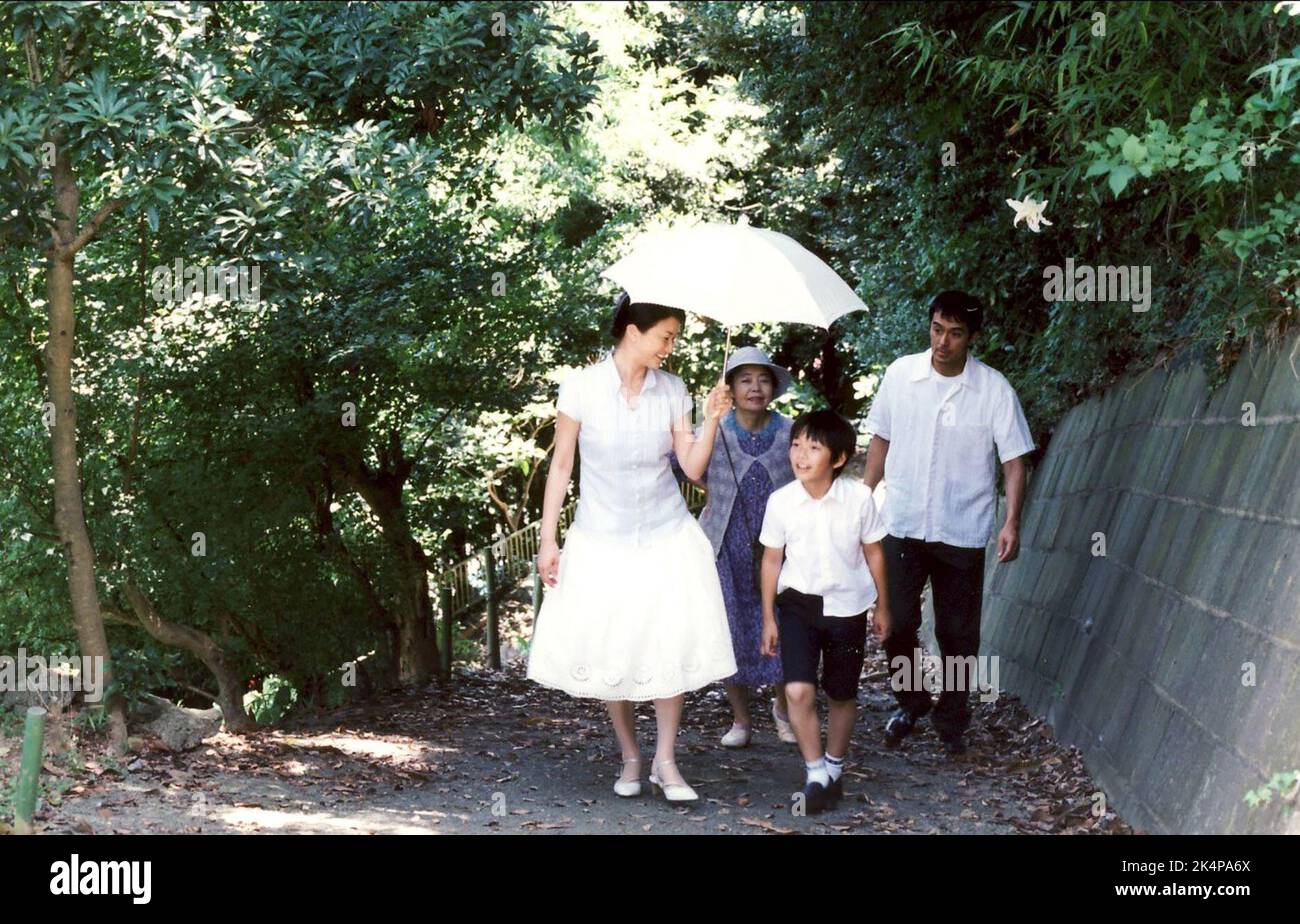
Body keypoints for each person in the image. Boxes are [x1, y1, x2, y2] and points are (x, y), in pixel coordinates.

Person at [527, 293, 738, 803]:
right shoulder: (580, 387)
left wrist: (711, 418)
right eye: (666, 336)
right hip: (602, 536)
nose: (671, 346)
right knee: (613, 649)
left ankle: (667, 761)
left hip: (666, 533)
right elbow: (561, 467)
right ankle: (630, 755)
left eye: (674, 338)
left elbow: (690, 467)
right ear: (632, 332)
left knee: (667, 643)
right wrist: (548, 538)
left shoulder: (673, 389)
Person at [863, 290, 1034, 756]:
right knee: (895, 624)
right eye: (938, 329)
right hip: (901, 523)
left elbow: (1015, 460)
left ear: (972, 337)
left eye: (956, 333)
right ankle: (911, 699)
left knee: (958, 634)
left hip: (962, 527)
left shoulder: (993, 389)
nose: (943, 341)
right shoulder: (901, 376)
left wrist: (1011, 521)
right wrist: (863, 497)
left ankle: (953, 717)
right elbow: (880, 438)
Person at [758, 410, 890, 815]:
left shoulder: (859, 498)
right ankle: (815, 771)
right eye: (797, 444)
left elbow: (874, 551)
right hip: (797, 604)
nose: (800, 454)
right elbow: (770, 561)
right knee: (798, 690)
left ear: (837, 458)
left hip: (847, 607)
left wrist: (883, 605)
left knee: (841, 693)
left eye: (813, 447)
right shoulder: (781, 502)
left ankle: (834, 765)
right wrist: (768, 617)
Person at [670, 346, 798, 748]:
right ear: (731, 388)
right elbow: (685, 468)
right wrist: (719, 491)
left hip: (779, 548)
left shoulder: (790, 430)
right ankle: (741, 719)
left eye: (762, 380)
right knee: (731, 629)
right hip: (725, 544)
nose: (755, 388)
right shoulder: (716, 427)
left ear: (773, 387)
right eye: (745, 380)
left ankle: (783, 710)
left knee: (778, 623)